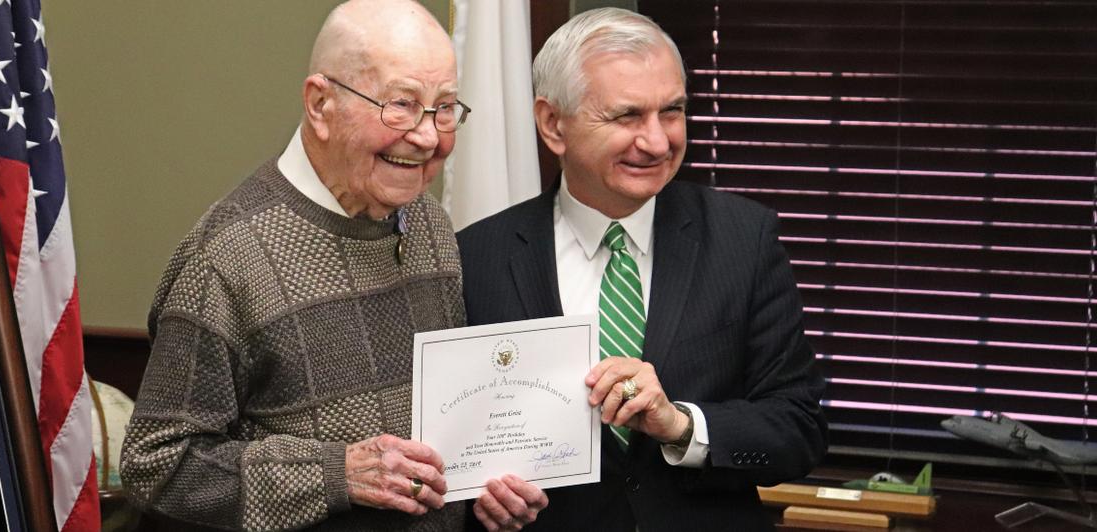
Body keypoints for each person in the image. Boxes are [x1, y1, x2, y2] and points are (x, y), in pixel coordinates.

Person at [121, 1, 545, 530]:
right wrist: (336, 474)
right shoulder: (228, 257)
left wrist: (482, 494)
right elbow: (157, 466)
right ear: (320, 104)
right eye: (402, 105)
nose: (430, 137)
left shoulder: (432, 225)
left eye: (444, 108)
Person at [457, 8, 828, 531]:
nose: (657, 142)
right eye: (627, 116)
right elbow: (453, 443)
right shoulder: (476, 257)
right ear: (552, 123)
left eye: (671, 111)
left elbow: (800, 429)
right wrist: (482, 499)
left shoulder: (744, 240)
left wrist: (681, 426)